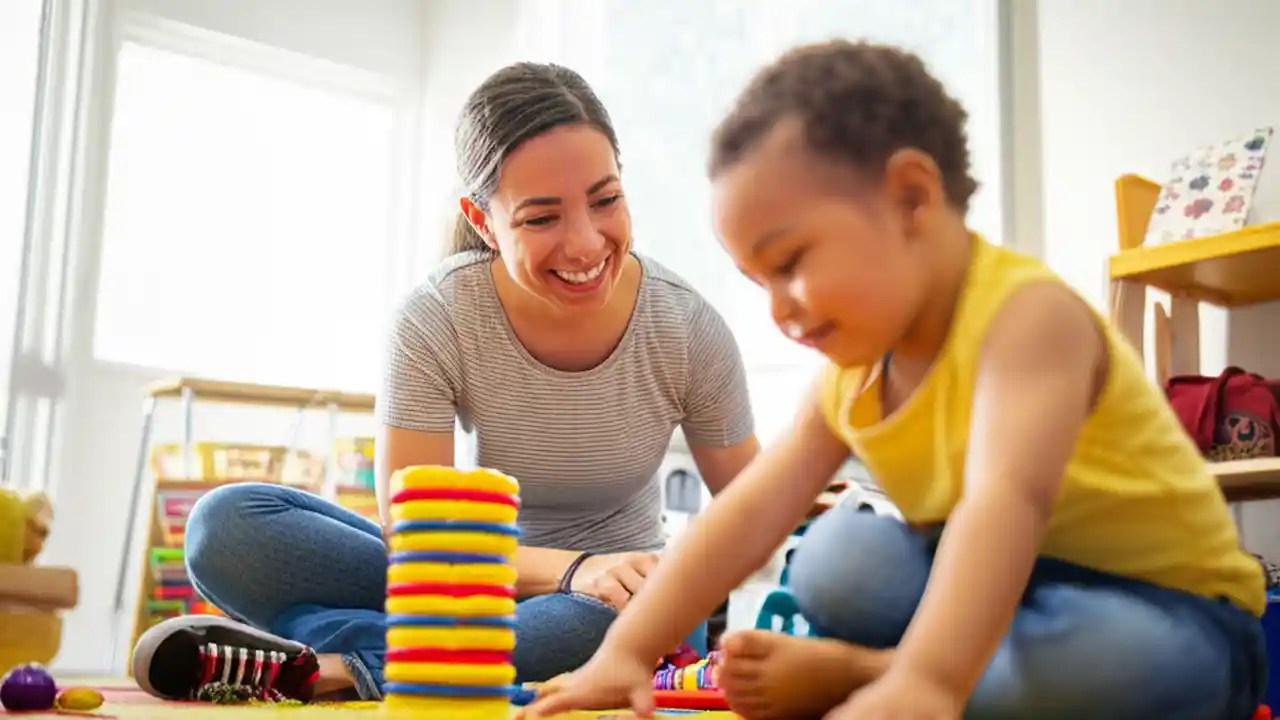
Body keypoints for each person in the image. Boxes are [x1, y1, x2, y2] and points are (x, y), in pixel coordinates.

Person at [523, 40, 1267, 720]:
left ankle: (885, 673)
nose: (780, 309)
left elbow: (1005, 503)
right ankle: (910, 669)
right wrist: (625, 651)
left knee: (1103, 669)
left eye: (792, 264)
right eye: (760, 282)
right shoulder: (853, 375)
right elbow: (744, 516)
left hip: (1171, 611)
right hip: (1008, 603)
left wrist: (931, 683)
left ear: (910, 196)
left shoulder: (1029, 319)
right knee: (839, 557)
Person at [130, 61, 759, 703]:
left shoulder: (686, 327)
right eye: (541, 218)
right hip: (463, 570)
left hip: (607, 607)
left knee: (623, 624)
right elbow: (408, 534)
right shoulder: (437, 316)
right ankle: (405, 654)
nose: (585, 242)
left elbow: (754, 510)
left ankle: (331, 666)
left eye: (605, 200)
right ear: (482, 221)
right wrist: (573, 569)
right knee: (224, 526)